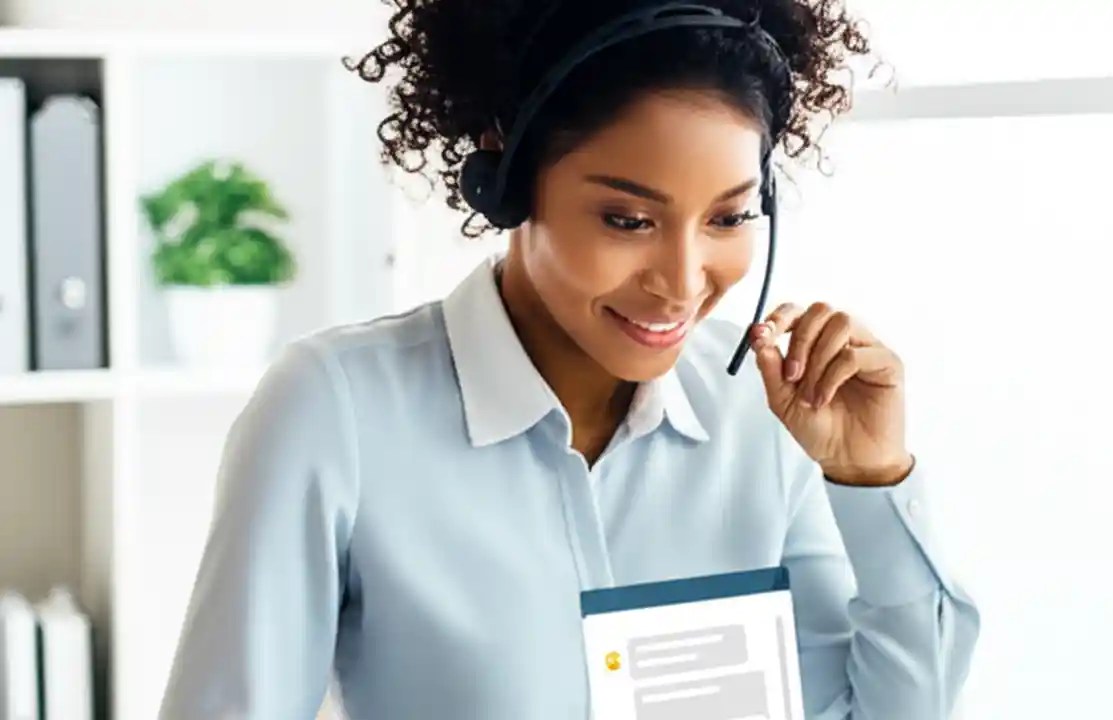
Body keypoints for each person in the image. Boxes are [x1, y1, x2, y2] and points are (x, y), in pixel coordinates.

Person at [159, 0, 980, 718]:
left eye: (728, 219)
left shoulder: (765, 413)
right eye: (627, 219)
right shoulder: (336, 411)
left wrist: (872, 481)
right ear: (504, 176)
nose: (682, 284)